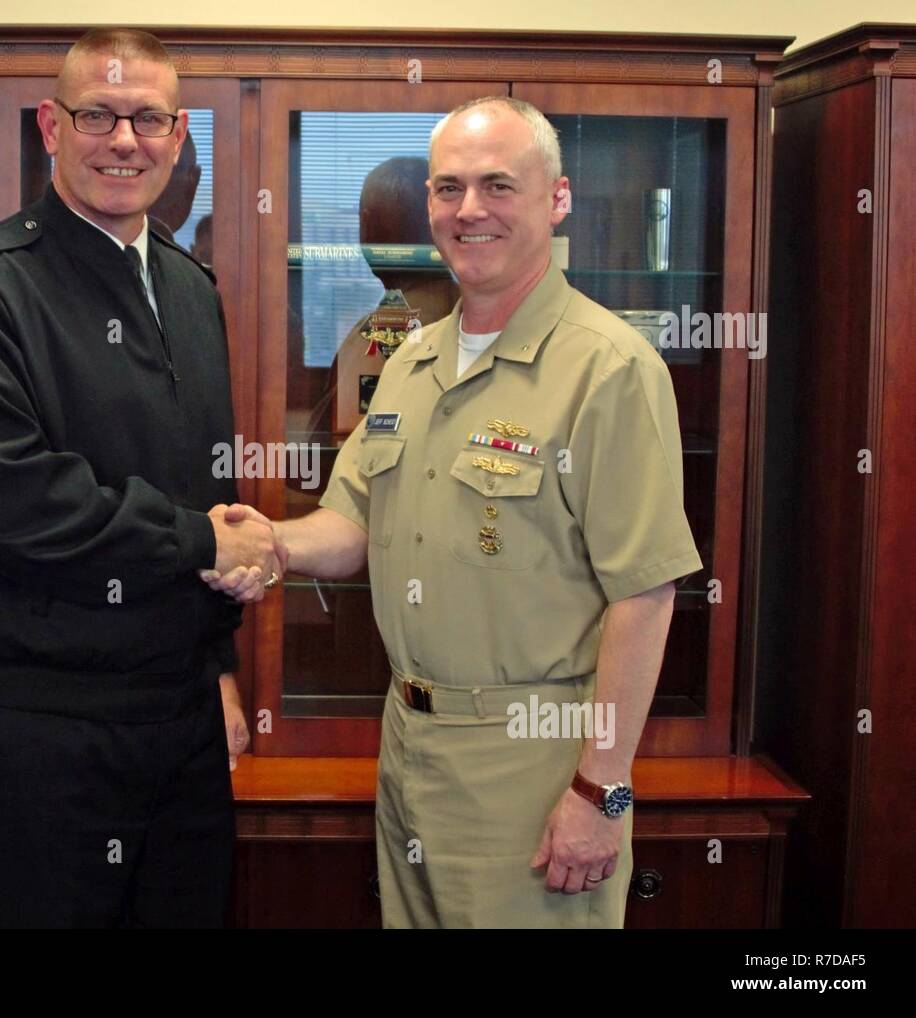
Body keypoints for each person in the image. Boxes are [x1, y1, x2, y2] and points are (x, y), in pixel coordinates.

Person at [206, 96, 702, 928]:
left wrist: (600, 790)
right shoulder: (411, 360)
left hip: (536, 762)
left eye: (499, 185)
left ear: (557, 199)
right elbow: (355, 523)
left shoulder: (609, 369)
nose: (469, 210)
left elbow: (644, 594)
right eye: (448, 188)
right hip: (408, 747)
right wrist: (271, 544)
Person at [0, 27, 281, 928]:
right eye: (98, 115)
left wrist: (216, 665)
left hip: (179, 728)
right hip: (33, 736)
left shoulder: (191, 290)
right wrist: (200, 541)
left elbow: (196, 484)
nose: (124, 141)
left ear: (178, 134)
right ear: (50, 125)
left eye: (148, 119)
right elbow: (13, 505)